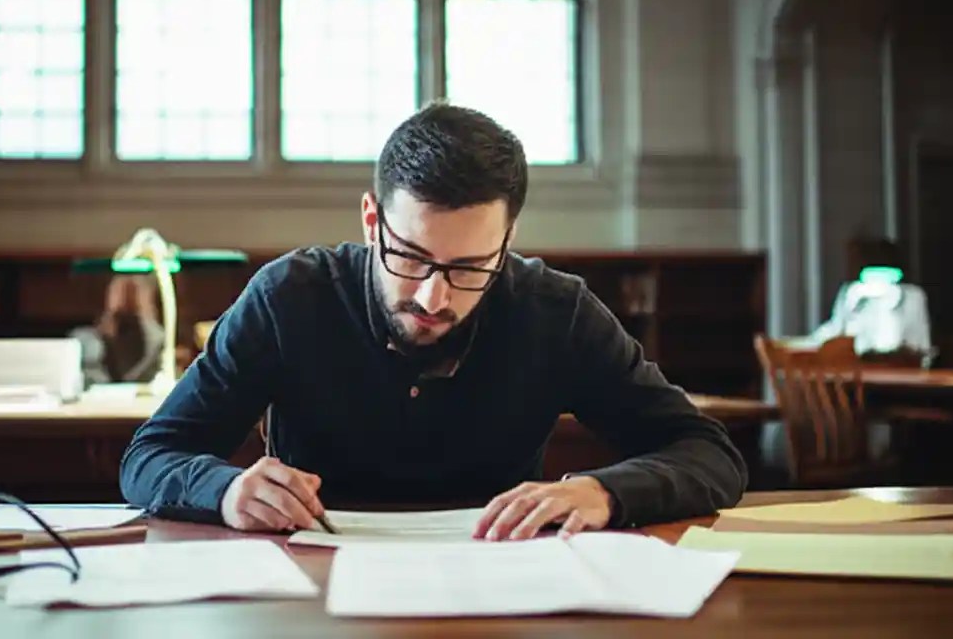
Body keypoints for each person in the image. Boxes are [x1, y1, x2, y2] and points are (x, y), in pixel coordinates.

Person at [119, 103, 746, 540]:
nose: (433, 295)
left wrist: (605, 493)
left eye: (472, 266)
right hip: (313, 586)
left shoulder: (555, 311)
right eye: (410, 257)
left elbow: (709, 454)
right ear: (371, 221)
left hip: (499, 584)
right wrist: (224, 490)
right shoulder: (290, 297)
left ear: (508, 240)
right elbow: (149, 455)